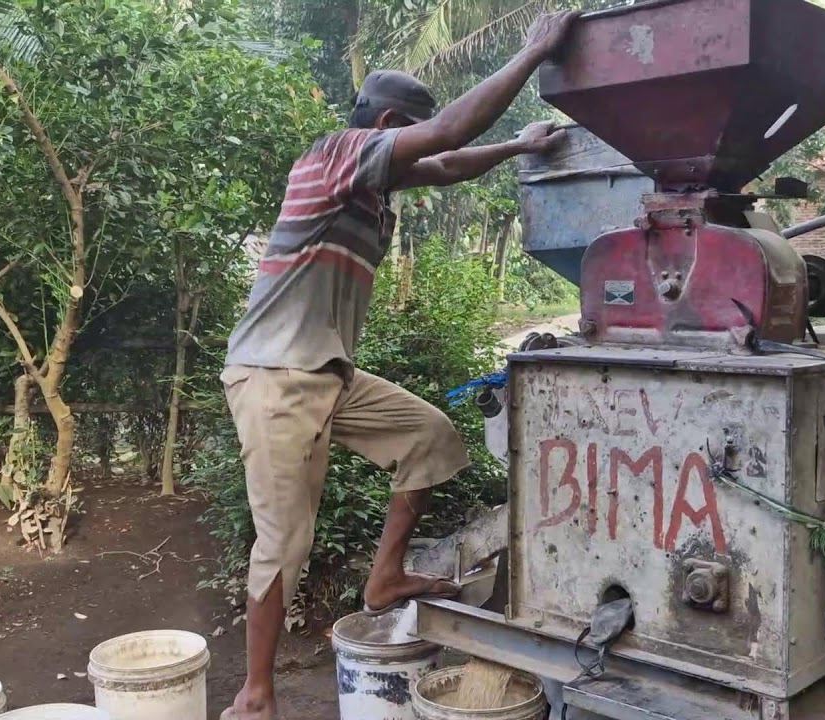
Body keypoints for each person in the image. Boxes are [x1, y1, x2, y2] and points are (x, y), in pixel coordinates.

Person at [218, 10, 582, 720]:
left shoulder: (373, 186)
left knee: (431, 438)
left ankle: (384, 579)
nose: (411, 157)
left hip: (329, 376)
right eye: (404, 138)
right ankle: (255, 695)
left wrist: (517, 145)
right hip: (274, 378)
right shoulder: (334, 154)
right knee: (285, 541)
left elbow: (443, 162)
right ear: (385, 123)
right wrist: (534, 53)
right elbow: (444, 136)